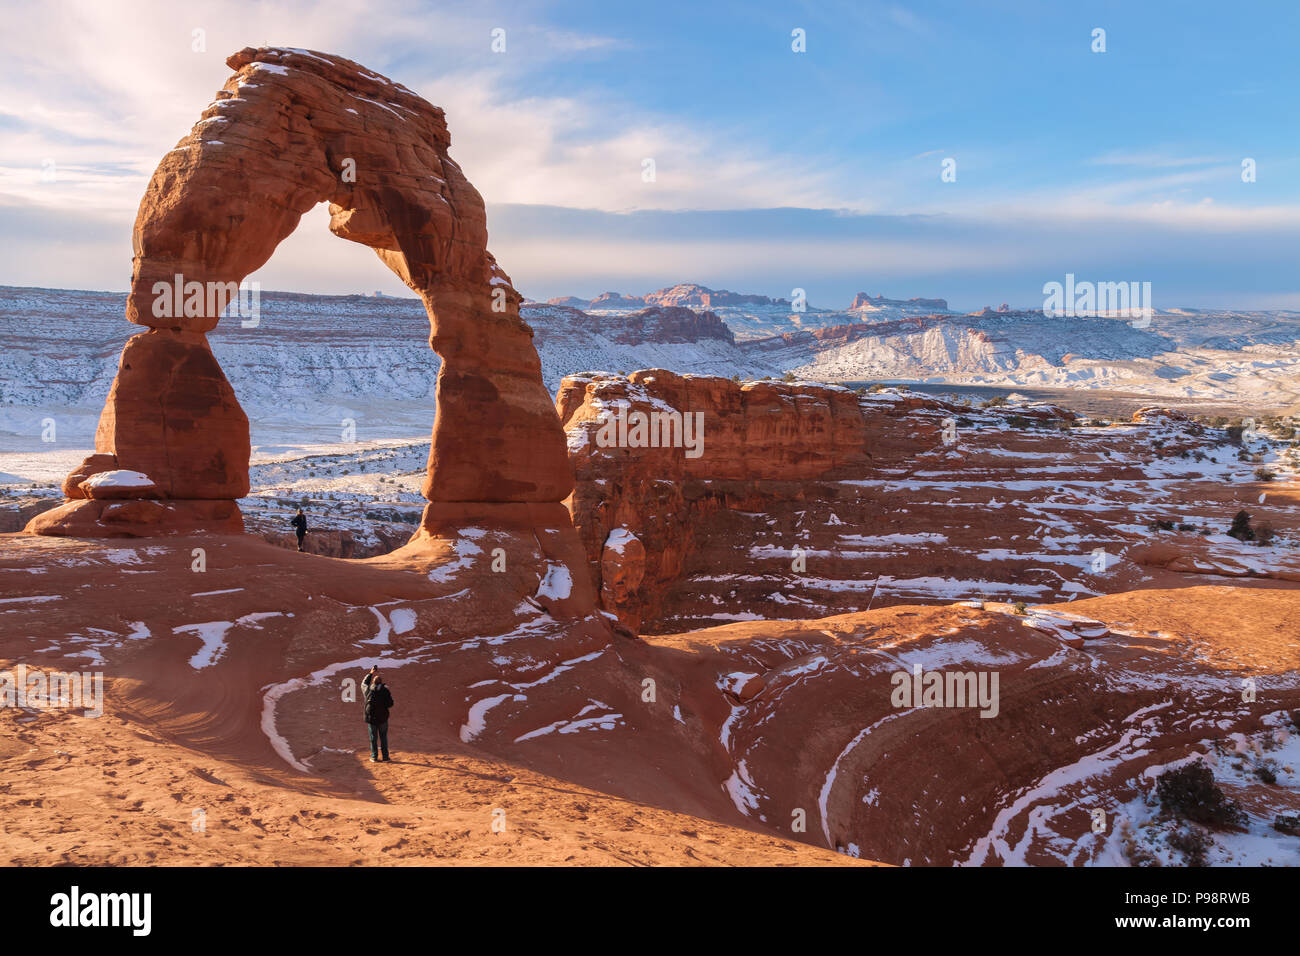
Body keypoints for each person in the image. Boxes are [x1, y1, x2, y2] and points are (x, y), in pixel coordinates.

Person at [361, 666, 394, 763]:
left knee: (373, 738)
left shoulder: (368, 690)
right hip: (383, 719)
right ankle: (385, 757)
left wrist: (371, 673)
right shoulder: (385, 691)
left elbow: (364, 683)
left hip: (371, 719)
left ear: (373, 682)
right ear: (381, 683)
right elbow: (390, 704)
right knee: (383, 737)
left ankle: (374, 756)